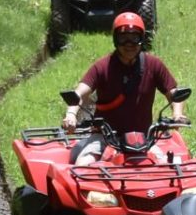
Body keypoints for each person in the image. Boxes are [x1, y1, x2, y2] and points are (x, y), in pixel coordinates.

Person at [63, 12, 184, 165]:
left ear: (142, 39)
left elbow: (174, 93)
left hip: (142, 139)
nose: (129, 44)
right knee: (83, 164)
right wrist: (71, 115)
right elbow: (79, 93)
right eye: (123, 38)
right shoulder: (102, 66)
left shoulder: (153, 65)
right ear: (115, 39)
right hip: (105, 137)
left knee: (165, 166)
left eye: (134, 38)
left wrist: (177, 114)